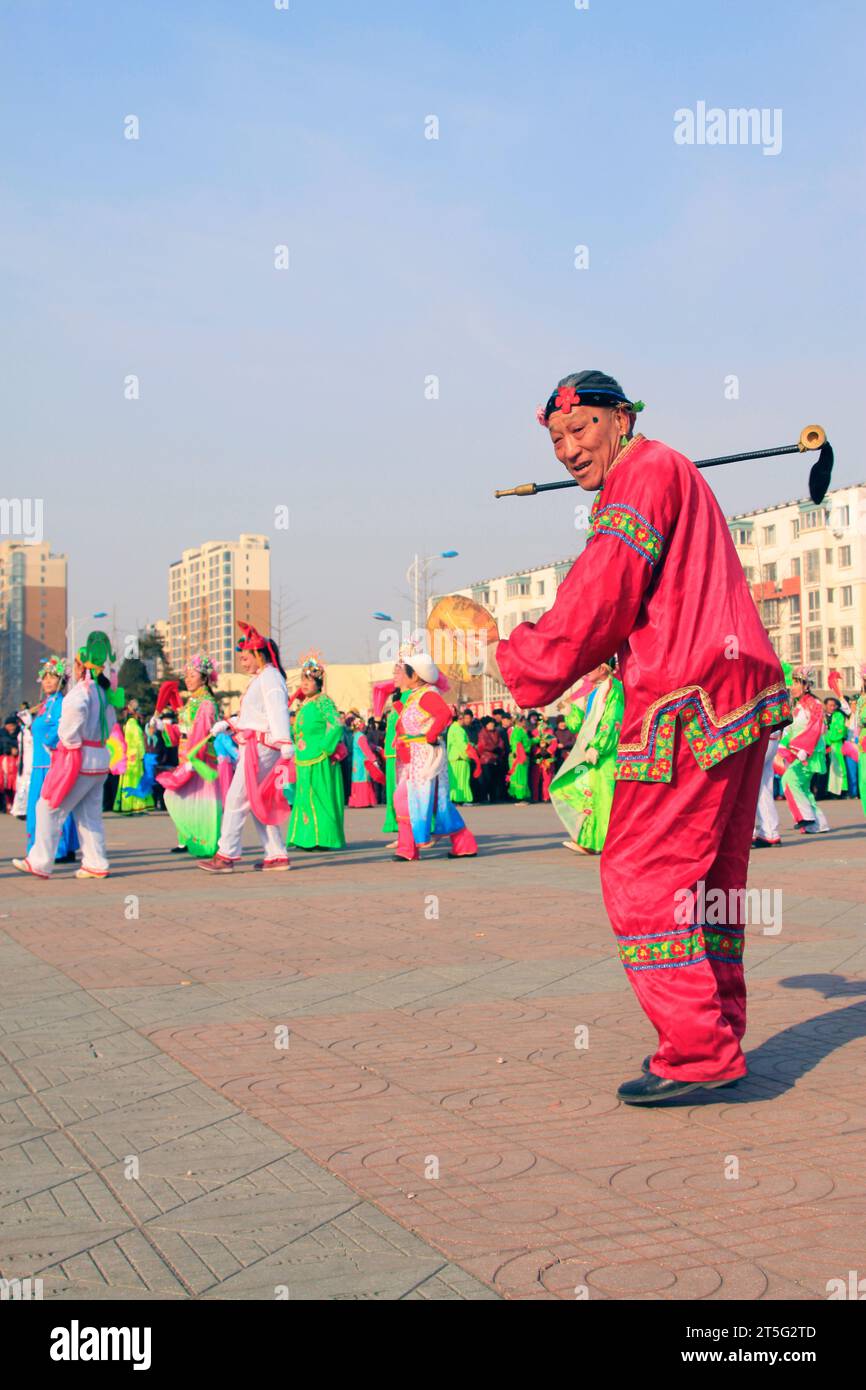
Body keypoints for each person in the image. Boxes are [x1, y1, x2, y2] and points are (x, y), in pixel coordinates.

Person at [488, 369, 790, 1104]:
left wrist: (522, 657)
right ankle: (714, 1033)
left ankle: (695, 1051)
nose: (566, 449)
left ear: (621, 418)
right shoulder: (669, 469)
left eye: (580, 428)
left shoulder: (644, 475)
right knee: (709, 883)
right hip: (731, 694)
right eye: (557, 438)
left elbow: (604, 588)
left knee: (644, 874)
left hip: (683, 699)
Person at [13, 631, 120, 879]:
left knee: (48, 806)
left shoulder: (81, 691)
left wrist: (67, 746)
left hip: (79, 758)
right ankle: (96, 862)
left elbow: (69, 725)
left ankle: (39, 861)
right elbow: (112, 723)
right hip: (99, 757)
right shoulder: (104, 693)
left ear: (82, 665)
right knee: (89, 813)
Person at [199, 623, 294, 873]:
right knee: (256, 799)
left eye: (245, 657)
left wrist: (284, 741)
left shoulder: (270, 678)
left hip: (261, 746)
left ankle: (226, 855)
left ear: (258, 654)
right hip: (256, 744)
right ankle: (276, 854)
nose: (242, 662)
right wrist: (228, 724)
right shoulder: (263, 678)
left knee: (236, 798)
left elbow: (277, 710)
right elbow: (254, 716)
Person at [392, 644, 478, 862]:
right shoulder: (415, 695)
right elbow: (416, 719)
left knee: (411, 799)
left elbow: (443, 714)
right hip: (413, 755)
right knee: (418, 801)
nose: (401, 674)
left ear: (416, 675)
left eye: (405, 670)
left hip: (424, 755)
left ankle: (411, 847)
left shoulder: (427, 695)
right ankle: (457, 844)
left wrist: (430, 736)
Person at [155, 656, 224, 857]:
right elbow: (183, 729)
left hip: (199, 758)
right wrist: (163, 727)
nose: (188, 679)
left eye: (192, 675)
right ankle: (186, 838)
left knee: (202, 801)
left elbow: (201, 732)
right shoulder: (191, 702)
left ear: (204, 678)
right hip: (185, 755)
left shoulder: (207, 703)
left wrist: (195, 758)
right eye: (186, 675)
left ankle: (207, 842)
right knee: (182, 797)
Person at [550, 661, 623, 853]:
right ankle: (589, 841)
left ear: (603, 668)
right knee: (587, 792)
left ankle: (607, 843)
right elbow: (581, 725)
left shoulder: (614, 689)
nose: (585, 671)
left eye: (590, 666)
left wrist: (599, 747)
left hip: (607, 754)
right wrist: (569, 711)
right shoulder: (594, 693)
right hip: (589, 753)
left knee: (605, 798)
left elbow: (613, 720)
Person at [25, 657, 80, 863]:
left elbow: (64, 726)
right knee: (38, 810)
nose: (48, 681)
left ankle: (60, 849)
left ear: (61, 681)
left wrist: (50, 742)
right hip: (39, 765)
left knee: (54, 808)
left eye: (53, 677)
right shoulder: (45, 704)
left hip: (52, 764)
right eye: (45, 678)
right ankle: (42, 848)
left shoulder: (60, 704)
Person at [288, 656, 346, 850]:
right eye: (302, 680)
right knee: (304, 797)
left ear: (318, 683)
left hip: (319, 757)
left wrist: (326, 748)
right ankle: (305, 838)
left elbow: (336, 723)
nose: (304, 684)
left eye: (309, 680)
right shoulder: (305, 704)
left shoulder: (323, 702)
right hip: (304, 758)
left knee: (319, 798)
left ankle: (322, 838)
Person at [777, 668, 830, 834]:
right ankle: (819, 823)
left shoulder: (815, 705)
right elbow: (791, 730)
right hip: (799, 752)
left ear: (805, 685)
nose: (792, 687)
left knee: (789, 779)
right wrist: (782, 746)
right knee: (803, 787)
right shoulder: (798, 705)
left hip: (810, 753)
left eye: (795, 683)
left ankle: (806, 817)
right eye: (791, 683)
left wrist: (804, 750)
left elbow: (815, 729)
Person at [114, 700, 154, 814]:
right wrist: (143, 755)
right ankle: (136, 805)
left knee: (129, 780)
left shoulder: (128, 724)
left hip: (129, 755)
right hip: (135, 756)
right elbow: (139, 742)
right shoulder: (134, 725)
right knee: (137, 779)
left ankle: (127, 804)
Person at [381, 690, 402, 838]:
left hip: (391, 753)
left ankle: (393, 821)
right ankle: (398, 820)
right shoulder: (400, 711)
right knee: (398, 789)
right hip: (397, 753)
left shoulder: (391, 714)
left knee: (392, 789)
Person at [348, 715, 379, 808]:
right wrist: (374, 759)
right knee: (363, 779)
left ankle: (356, 800)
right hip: (362, 762)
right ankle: (363, 801)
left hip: (356, 762)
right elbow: (366, 750)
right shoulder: (361, 736)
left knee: (357, 779)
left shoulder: (355, 735)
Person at [447, 709, 474, 804]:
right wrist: (469, 754)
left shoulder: (452, 728)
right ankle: (462, 798)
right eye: (463, 718)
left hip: (453, 759)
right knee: (462, 780)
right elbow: (462, 745)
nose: (464, 721)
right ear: (459, 719)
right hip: (460, 758)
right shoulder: (458, 729)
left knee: (455, 781)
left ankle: (455, 799)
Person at [824, 697, 848, 798]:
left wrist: (828, 739)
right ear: (825, 706)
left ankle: (840, 792)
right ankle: (826, 791)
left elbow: (840, 731)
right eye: (830, 705)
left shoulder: (839, 716)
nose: (832, 707)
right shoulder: (821, 716)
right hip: (824, 747)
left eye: (834, 705)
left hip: (837, 746)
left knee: (839, 769)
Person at [506, 716, 532, 802]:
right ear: (519, 722)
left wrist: (537, 739)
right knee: (520, 778)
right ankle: (520, 797)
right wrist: (519, 755)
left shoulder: (520, 731)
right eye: (523, 721)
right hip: (520, 757)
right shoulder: (518, 731)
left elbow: (527, 742)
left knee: (519, 777)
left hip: (521, 757)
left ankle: (520, 796)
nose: (525, 723)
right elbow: (516, 745)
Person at [0, 714, 19, 812]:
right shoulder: (2, 734)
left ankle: (11, 805)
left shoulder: (17, 734)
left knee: (12, 785)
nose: (12, 728)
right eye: (11, 725)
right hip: (4, 763)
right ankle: (5, 805)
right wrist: (9, 750)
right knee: (5, 784)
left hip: (14, 764)